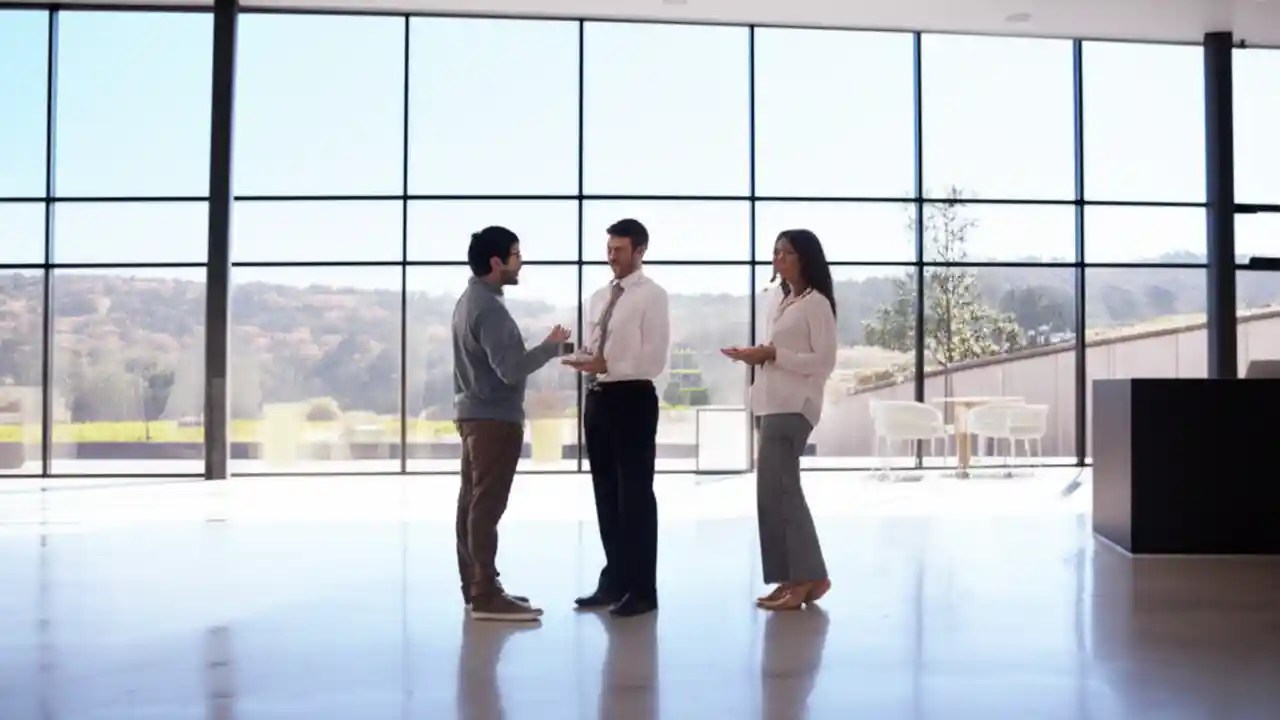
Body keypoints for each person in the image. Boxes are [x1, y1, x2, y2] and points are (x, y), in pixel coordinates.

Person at [453, 226, 571, 622]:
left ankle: (478, 588)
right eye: (517, 255)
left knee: (472, 503)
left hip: (472, 415)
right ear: (496, 262)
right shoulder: (489, 308)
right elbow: (511, 369)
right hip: (494, 420)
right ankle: (485, 594)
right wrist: (550, 348)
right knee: (486, 507)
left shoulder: (467, 302)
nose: (521, 263)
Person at [722, 229, 837, 611]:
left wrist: (773, 353)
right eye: (774, 253)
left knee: (785, 491)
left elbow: (823, 362)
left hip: (795, 407)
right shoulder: (780, 299)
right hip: (769, 405)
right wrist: (758, 354)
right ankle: (789, 579)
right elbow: (775, 351)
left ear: (804, 258)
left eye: (785, 253)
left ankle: (809, 577)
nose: (777, 259)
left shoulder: (816, 304)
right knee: (770, 495)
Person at [564, 218, 670, 618]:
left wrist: (609, 361)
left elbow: (654, 359)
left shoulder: (652, 296)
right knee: (606, 494)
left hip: (633, 398)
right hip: (598, 397)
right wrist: (586, 358)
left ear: (640, 250)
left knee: (635, 496)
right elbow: (594, 344)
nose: (611, 257)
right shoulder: (597, 296)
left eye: (620, 250)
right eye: (609, 249)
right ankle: (615, 581)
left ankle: (643, 590)